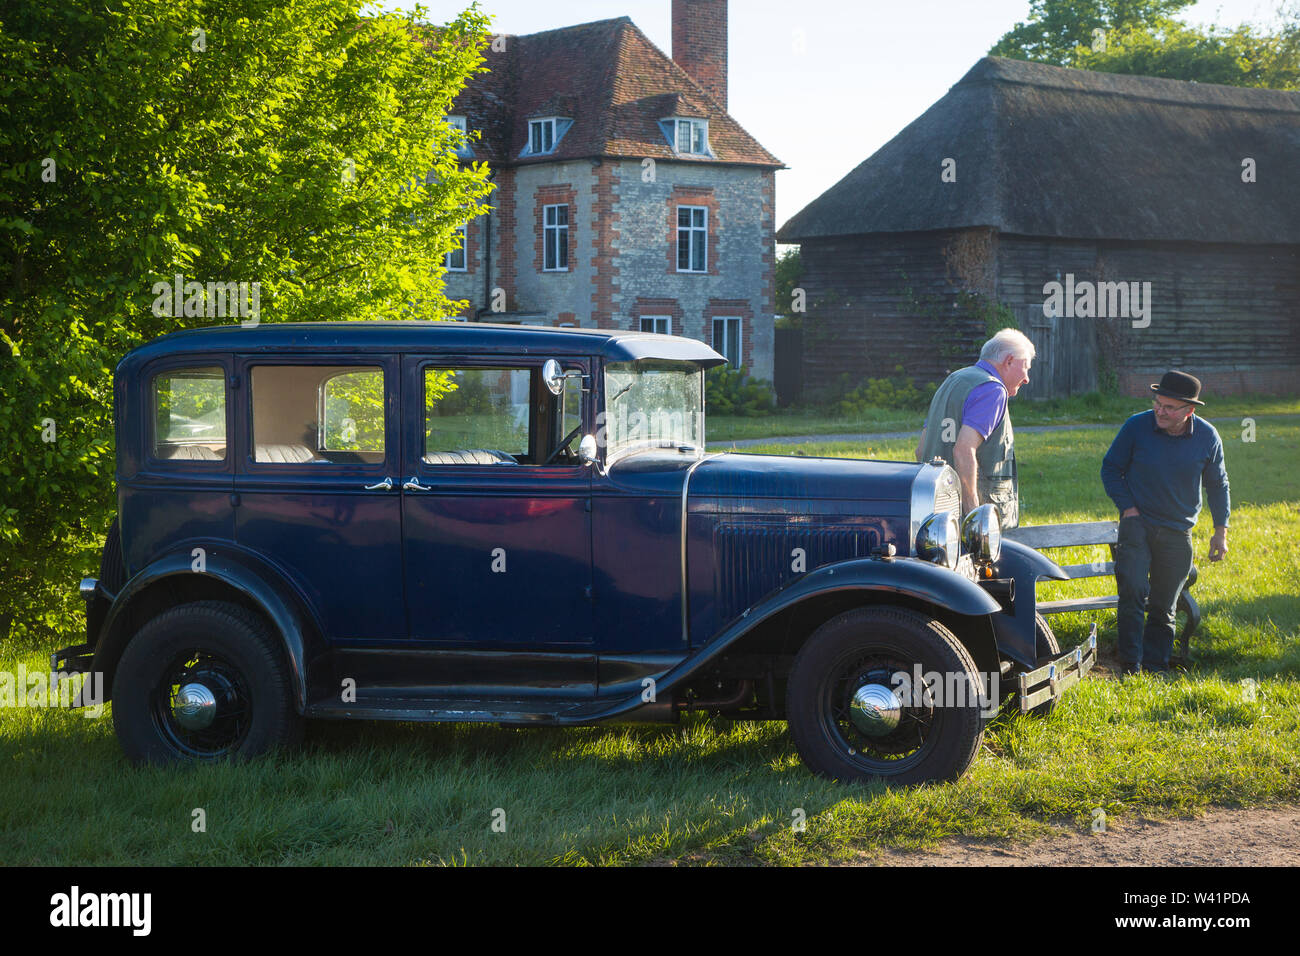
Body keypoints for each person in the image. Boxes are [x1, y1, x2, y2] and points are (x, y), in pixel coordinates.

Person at [1100, 370, 1230, 675]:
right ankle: (1130, 666)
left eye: (1169, 407)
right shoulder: (1136, 426)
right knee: (1132, 592)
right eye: (1158, 403)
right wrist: (1128, 509)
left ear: (1189, 411)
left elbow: (1218, 484)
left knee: (1163, 604)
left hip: (1177, 530)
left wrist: (1220, 531)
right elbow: (1110, 469)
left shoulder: (1207, 437)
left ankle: (1156, 666)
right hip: (1137, 525)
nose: (1160, 410)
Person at [916, 328, 1035, 528]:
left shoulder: (953, 380)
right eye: (1026, 368)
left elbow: (921, 450)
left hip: (937, 515)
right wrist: (974, 518)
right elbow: (963, 450)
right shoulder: (993, 390)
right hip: (974, 527)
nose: (1027, 378)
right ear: (1009, 361)